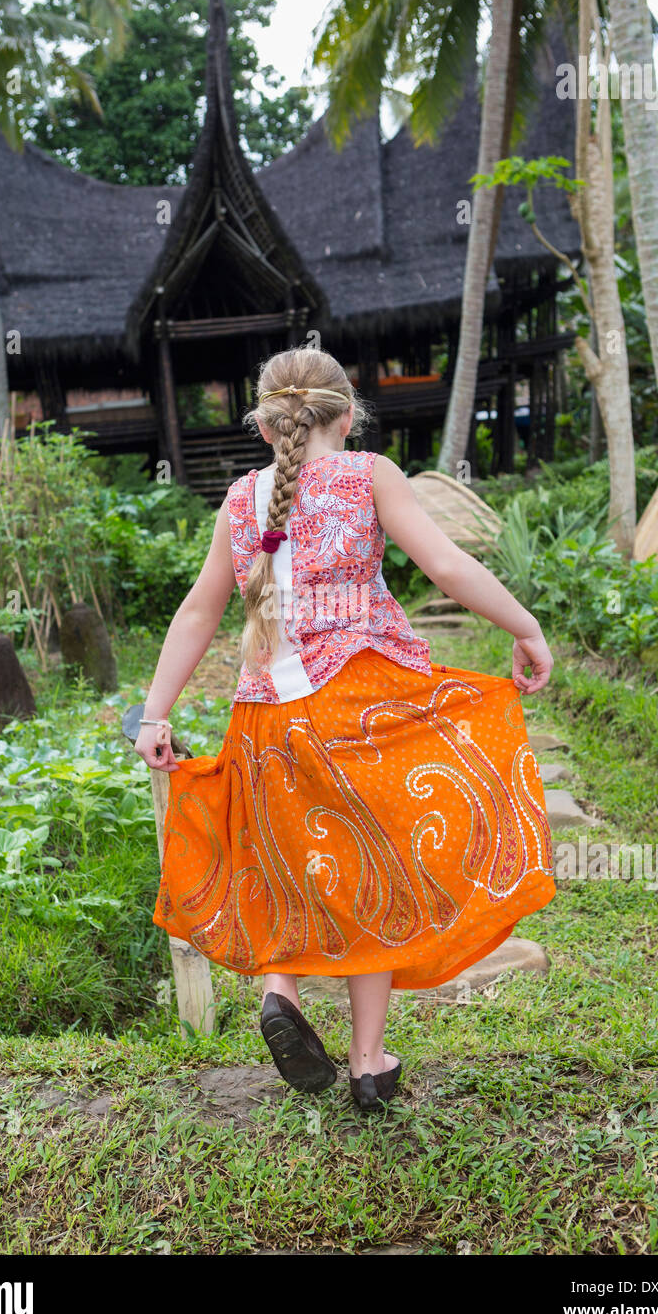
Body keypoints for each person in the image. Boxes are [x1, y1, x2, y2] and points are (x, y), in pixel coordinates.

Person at [136, 346, 556, 1114]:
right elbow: (448, 568)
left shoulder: (238, 500)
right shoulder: (369, 476)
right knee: (380, 872)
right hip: (360, 706)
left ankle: (281, 989)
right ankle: (367, 1062)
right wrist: (525, 626)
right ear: (348, 414)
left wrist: (155, 712)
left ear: (265, 426)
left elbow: (199, 611)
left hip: (266, 715)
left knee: (285, 863)